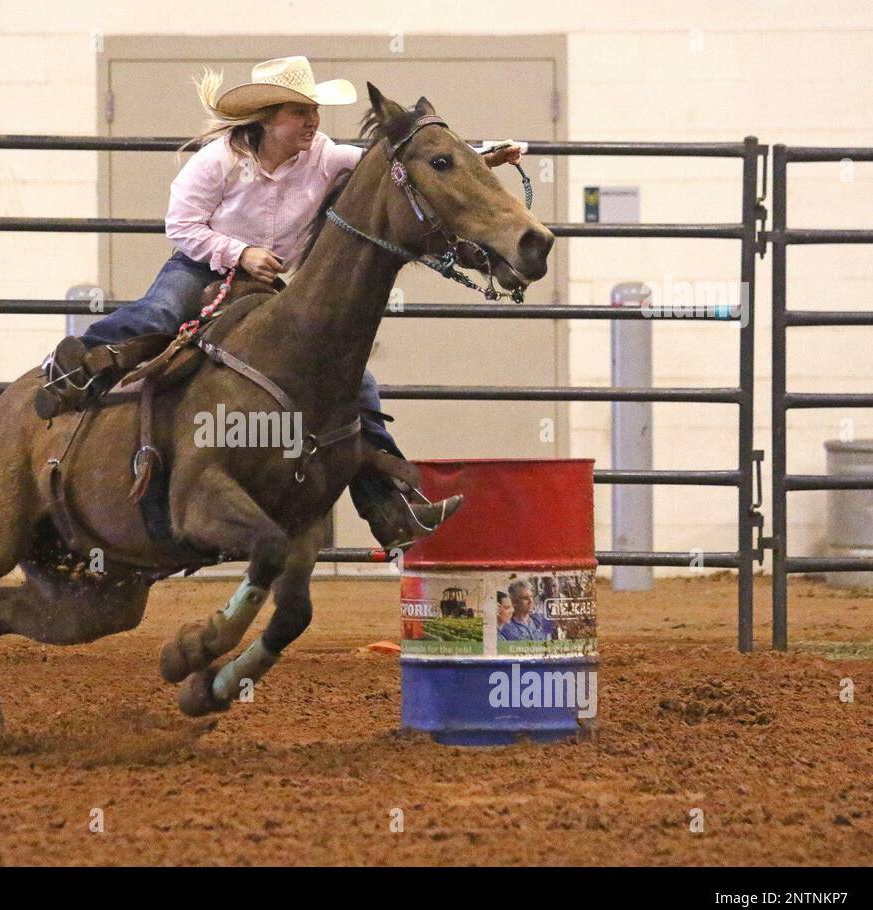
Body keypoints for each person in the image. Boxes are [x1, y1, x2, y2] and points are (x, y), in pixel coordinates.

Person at [35, 55, 523, 549]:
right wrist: (239, 252)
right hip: (203, 266)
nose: (312, 121)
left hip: (264, 285)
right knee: (159, 313)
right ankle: (75, 365)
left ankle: (390, 502)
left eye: (313, 110)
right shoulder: (220, 160)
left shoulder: (327, 156)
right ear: (268, 119)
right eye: (298, 112)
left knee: (354, 379)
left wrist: (482, 156)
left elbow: (405, 165)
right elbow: (181, 227)